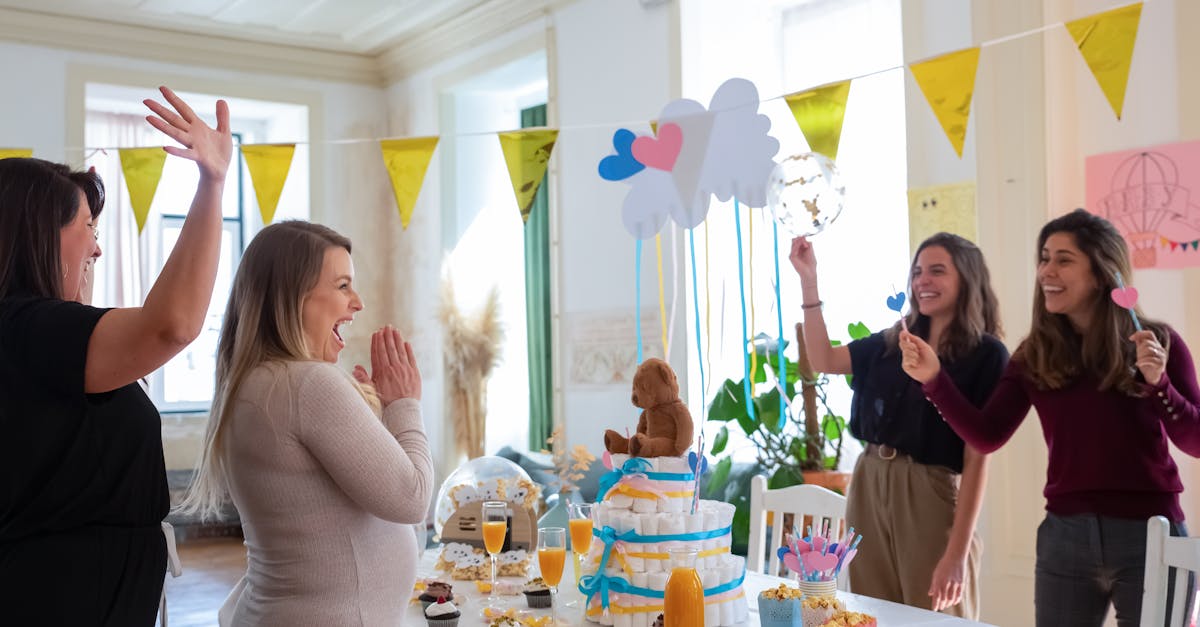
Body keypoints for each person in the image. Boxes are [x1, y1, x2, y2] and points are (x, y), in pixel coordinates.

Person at [899, 209, 1200, 626]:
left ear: (1100, 273)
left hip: (1152, 537)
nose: (1046, 271)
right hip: (1066, 538)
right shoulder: (1034, 355)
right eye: (1044, 258)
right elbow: (986, 436)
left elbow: (1195, 442)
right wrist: (934, 380)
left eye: (1063, 259)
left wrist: (1159, 383)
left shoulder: (1159, 343)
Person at [0, 87, 232, 625]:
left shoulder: (35, 333)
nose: (98, 248)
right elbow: (172, 324)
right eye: (88, 229)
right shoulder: (27, 327)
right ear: (40, 236)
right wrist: (212, 183)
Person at [179, 220, 433, 626]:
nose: (358, 303)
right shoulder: (307, 382)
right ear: (294, 296)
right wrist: (405, 404)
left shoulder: (256, 380)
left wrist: (377, 418)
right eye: (343, 286)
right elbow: (411, 497)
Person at [789, 232, 1007, 618]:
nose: (923, 280)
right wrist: (809, 280)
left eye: (937, 271)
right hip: (869, 482)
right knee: (873, 614)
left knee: (937, 616)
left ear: (967, 280)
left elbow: (978, 460)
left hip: (930, 491)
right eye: (918, 271)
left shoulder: (986, 354)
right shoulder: (893, 340)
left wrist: (957, 554)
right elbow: (823, 358)